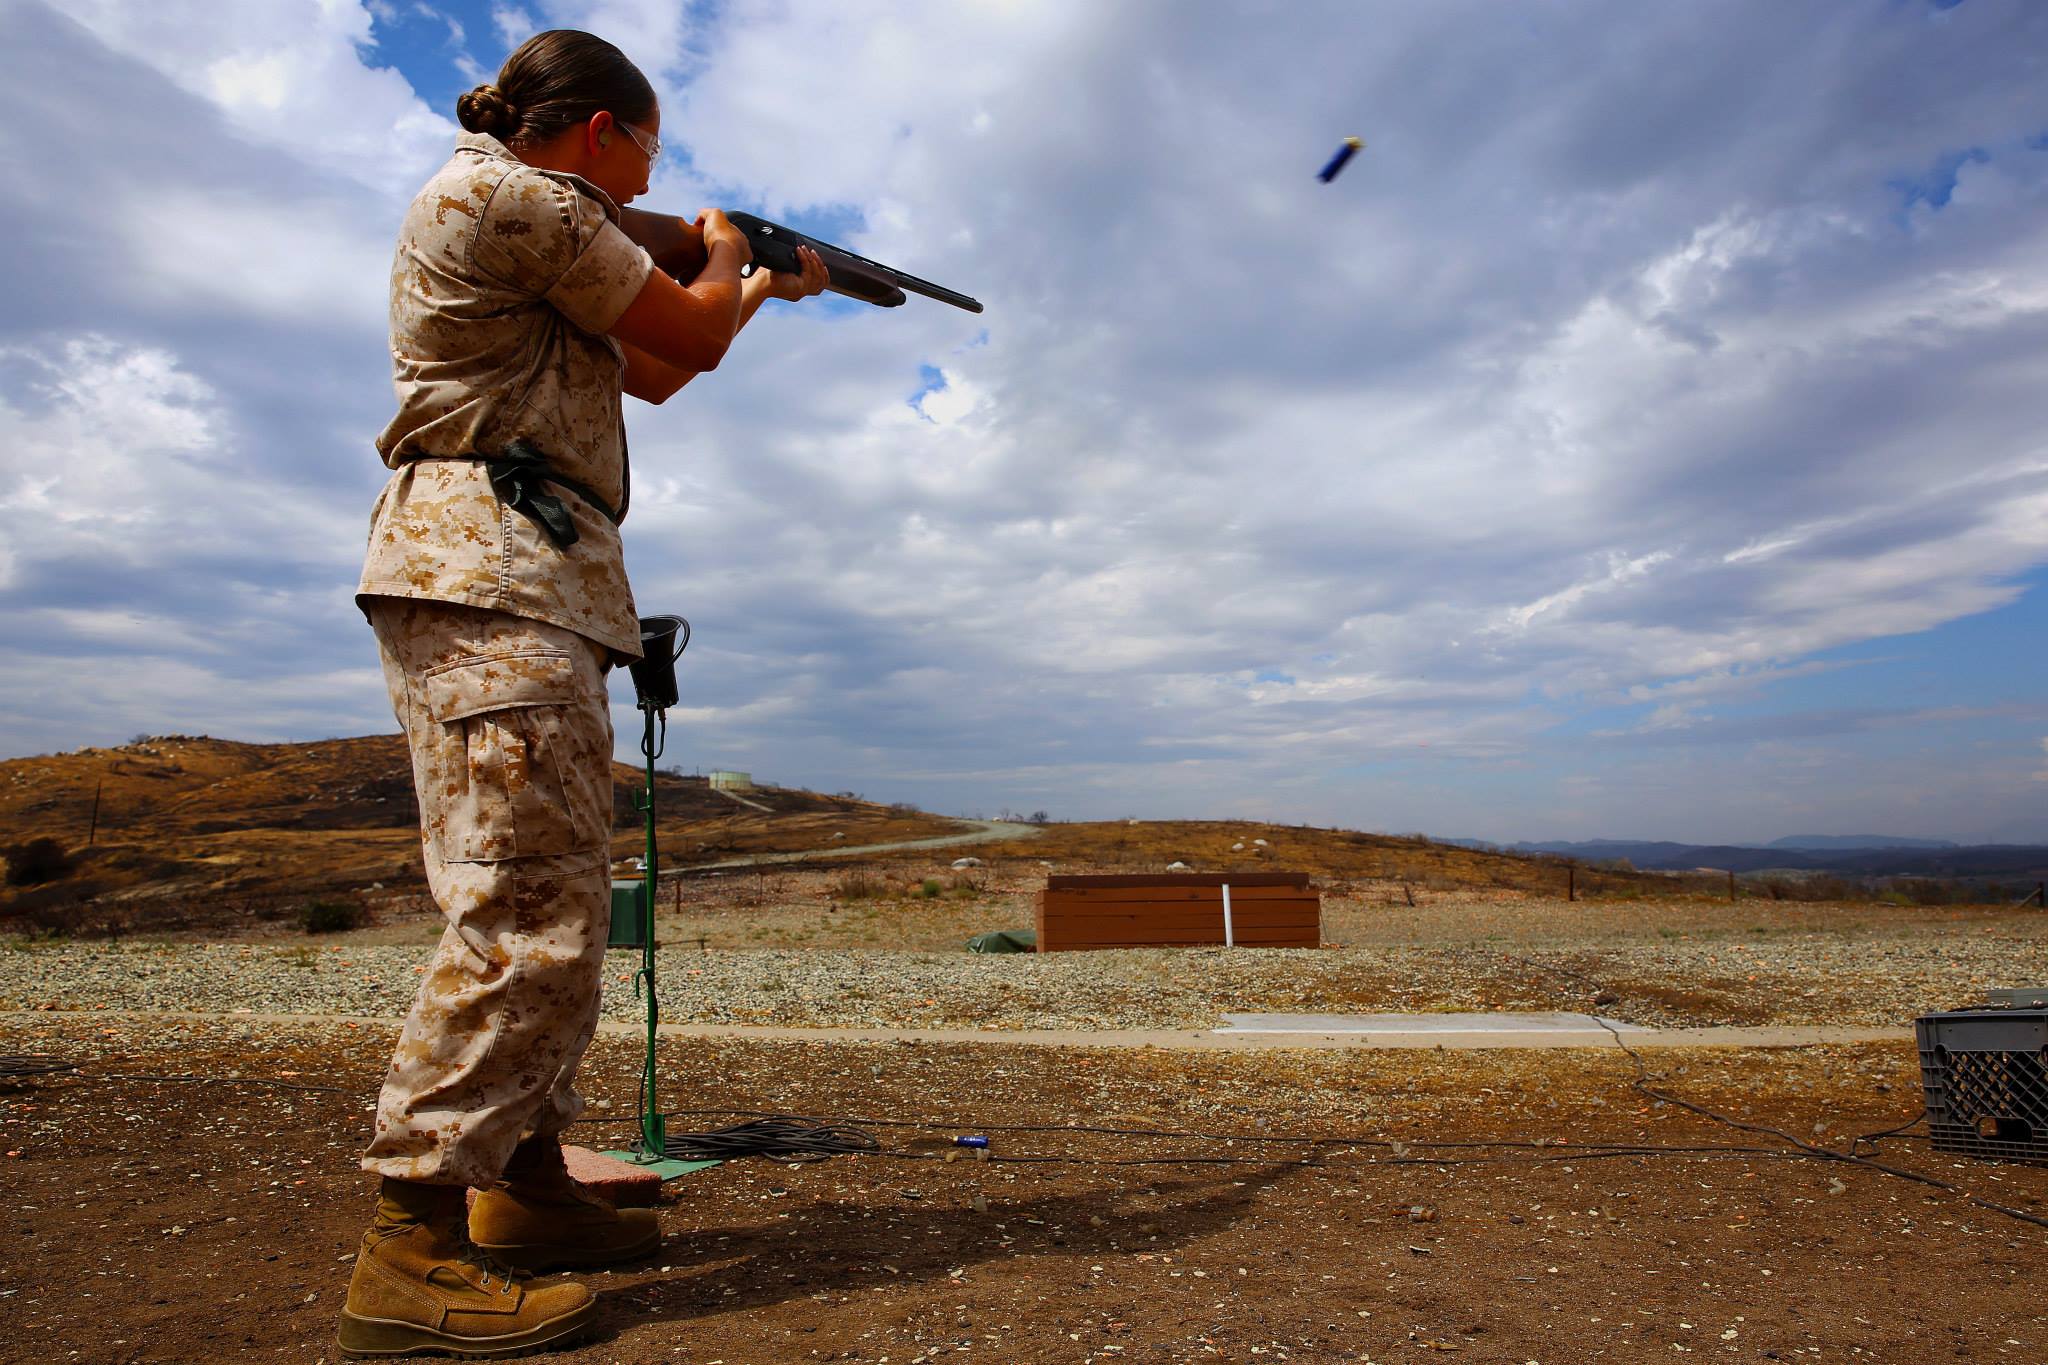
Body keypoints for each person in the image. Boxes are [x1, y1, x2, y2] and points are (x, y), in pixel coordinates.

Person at [338, 29, 826, 1359]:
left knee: (551, 899)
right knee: (520, 906)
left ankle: (522, 1179)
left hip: (528, 582)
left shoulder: (535, 235)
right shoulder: (509, 197)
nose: (641, 187)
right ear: (604, 136)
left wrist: (759, 287)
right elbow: (687, 327)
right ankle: (412, 1244)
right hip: (490, 577)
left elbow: (659, 366)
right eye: (645, 162)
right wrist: (728, 249)